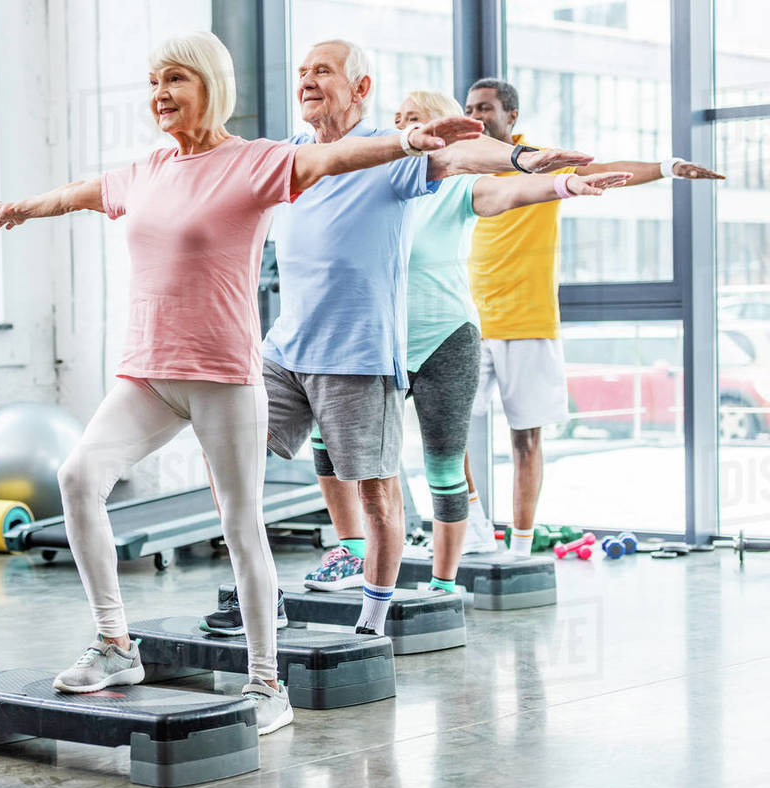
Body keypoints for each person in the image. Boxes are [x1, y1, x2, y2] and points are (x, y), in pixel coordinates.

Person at [0, 31, 483, 735]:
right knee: (77, 476)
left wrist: (406, 144)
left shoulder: (253, 163)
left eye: (176, 82)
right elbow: (81, 193)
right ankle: (116, 643)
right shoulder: (146, 169)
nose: (161, 96)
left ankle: (264, 683)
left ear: (211, 86)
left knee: (241, 527)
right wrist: (23, 208)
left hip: (224, 374)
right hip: (150, 372)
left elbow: (334, 155)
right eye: (154, 83)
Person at [200, 40, 589, 640]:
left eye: (321, 72)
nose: (306, 81)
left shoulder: (392, 153)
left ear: (360, 88)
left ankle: (375, 621)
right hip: (284, 348)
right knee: (225, 451)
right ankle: (264, 594)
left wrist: (525, 161)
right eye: (301, 72)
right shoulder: (291, 154)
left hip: (363, 352)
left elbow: (461, 160)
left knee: (382, 492)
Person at [303, 89, 631, 598]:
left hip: (444, 339)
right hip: (379, 341)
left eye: (413, 119)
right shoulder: (379, 183)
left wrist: (566, 184)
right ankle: (351, 550)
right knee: (333, 441)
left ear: (441, 130)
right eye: (396, 120)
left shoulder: (459, 188)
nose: (401, 128)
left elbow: (511, 194)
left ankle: (443, 582)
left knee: (443, 463)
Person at [461, 78, 725, 555]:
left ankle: (520, 548)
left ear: (511, 116)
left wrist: (666, 167)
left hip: (528, 321)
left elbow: (606, 169)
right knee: (446, 433)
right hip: (469, 323)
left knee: (525, 439)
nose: (476, 117)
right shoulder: (461, 167)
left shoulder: (540, 160)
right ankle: (473, 522)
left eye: (485, 108)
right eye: (470, 109)